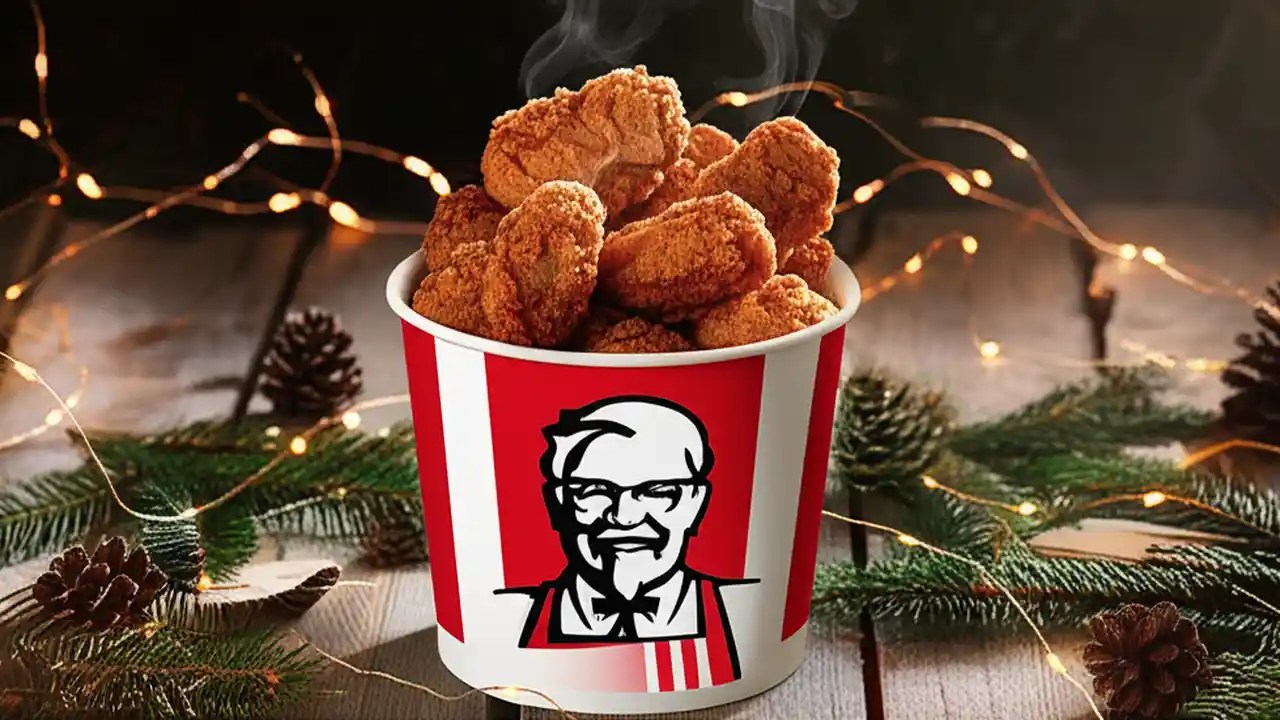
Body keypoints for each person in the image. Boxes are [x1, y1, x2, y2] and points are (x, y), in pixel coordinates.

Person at [499, 396, 748, 680]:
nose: (625, 517)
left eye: (658, 491)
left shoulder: (744, 610)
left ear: (695, 503)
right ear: (557, 503)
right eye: (594, 490)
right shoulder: (505, 615)